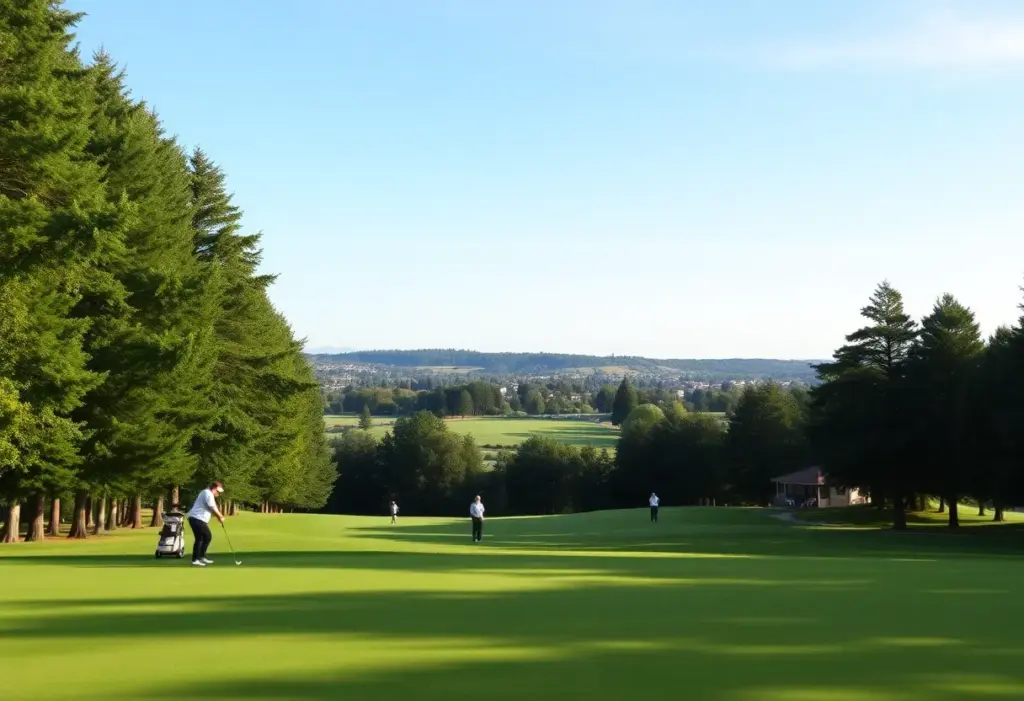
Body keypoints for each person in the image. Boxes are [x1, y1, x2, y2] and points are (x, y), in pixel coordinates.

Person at [187, 481, 225, 566]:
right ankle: (196, 559)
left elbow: (213, 507)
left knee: (201, 538)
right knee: (206, 536)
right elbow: (212, 507)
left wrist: (219, 517)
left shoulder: (207, 493)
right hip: (197, 518)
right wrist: (220, 517)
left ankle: (200, 557)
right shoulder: (208, 493)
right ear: (214, 489)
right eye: (218, 491)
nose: (218, 494)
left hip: (197, 518)